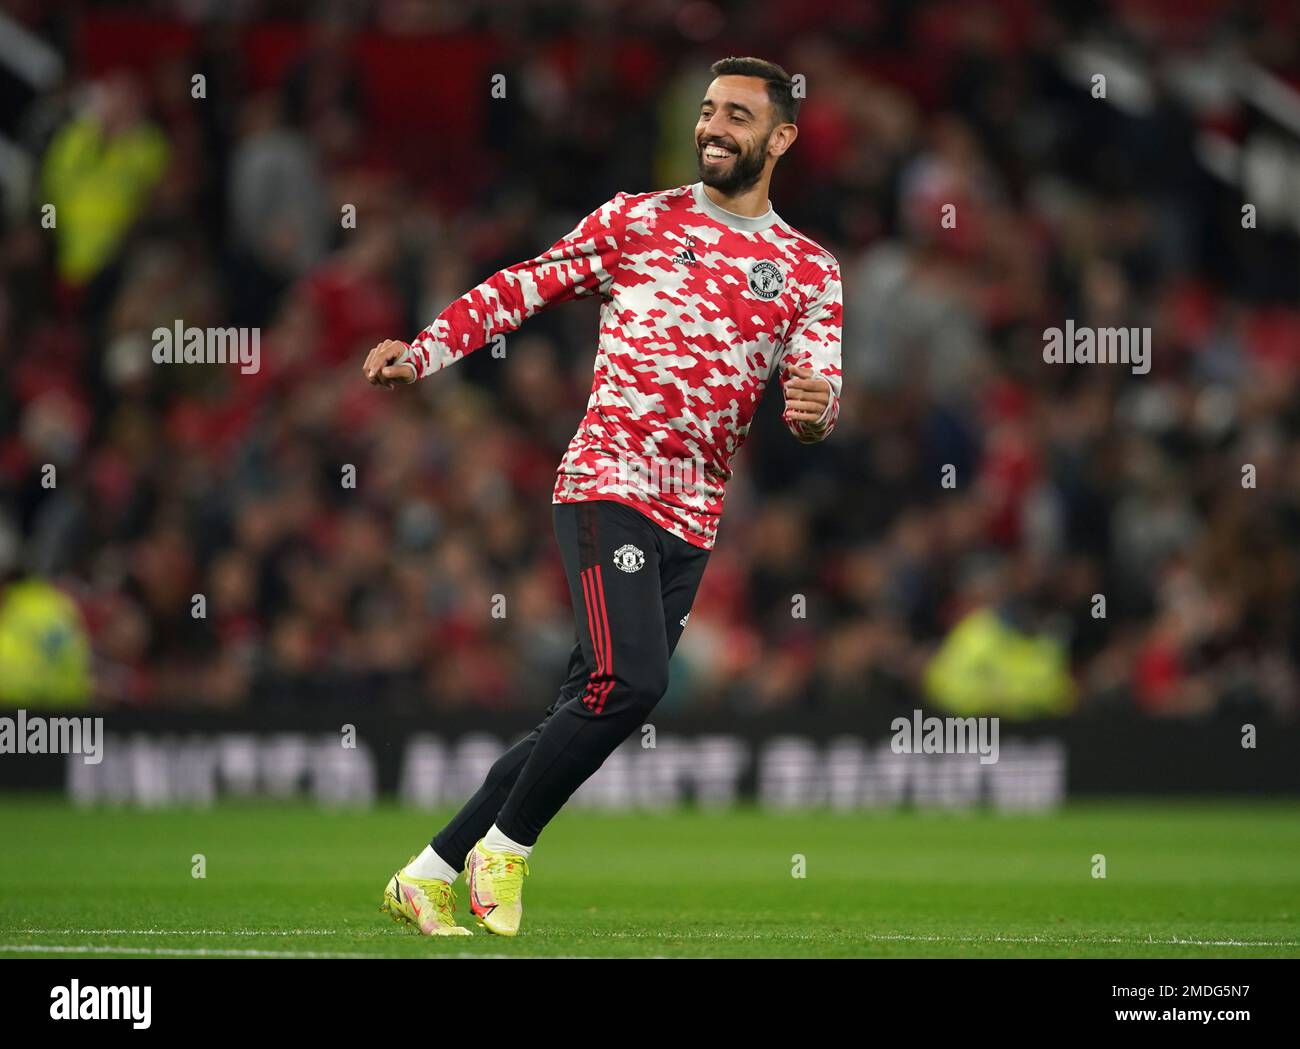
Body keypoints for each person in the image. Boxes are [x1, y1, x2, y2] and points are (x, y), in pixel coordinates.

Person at [366, 57, 842, 937]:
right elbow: (523, 285)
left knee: (582, 705)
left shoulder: (810, 271)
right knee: (634, 680)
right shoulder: (637, 220)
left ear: (780, 139)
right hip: (608, 482)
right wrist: (425, 351)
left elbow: (816, 394)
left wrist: (814, 411)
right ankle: (504, 849)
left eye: (737, 116)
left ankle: (429, 869)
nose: (714, 127)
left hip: (694, 516)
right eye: (707, 110)